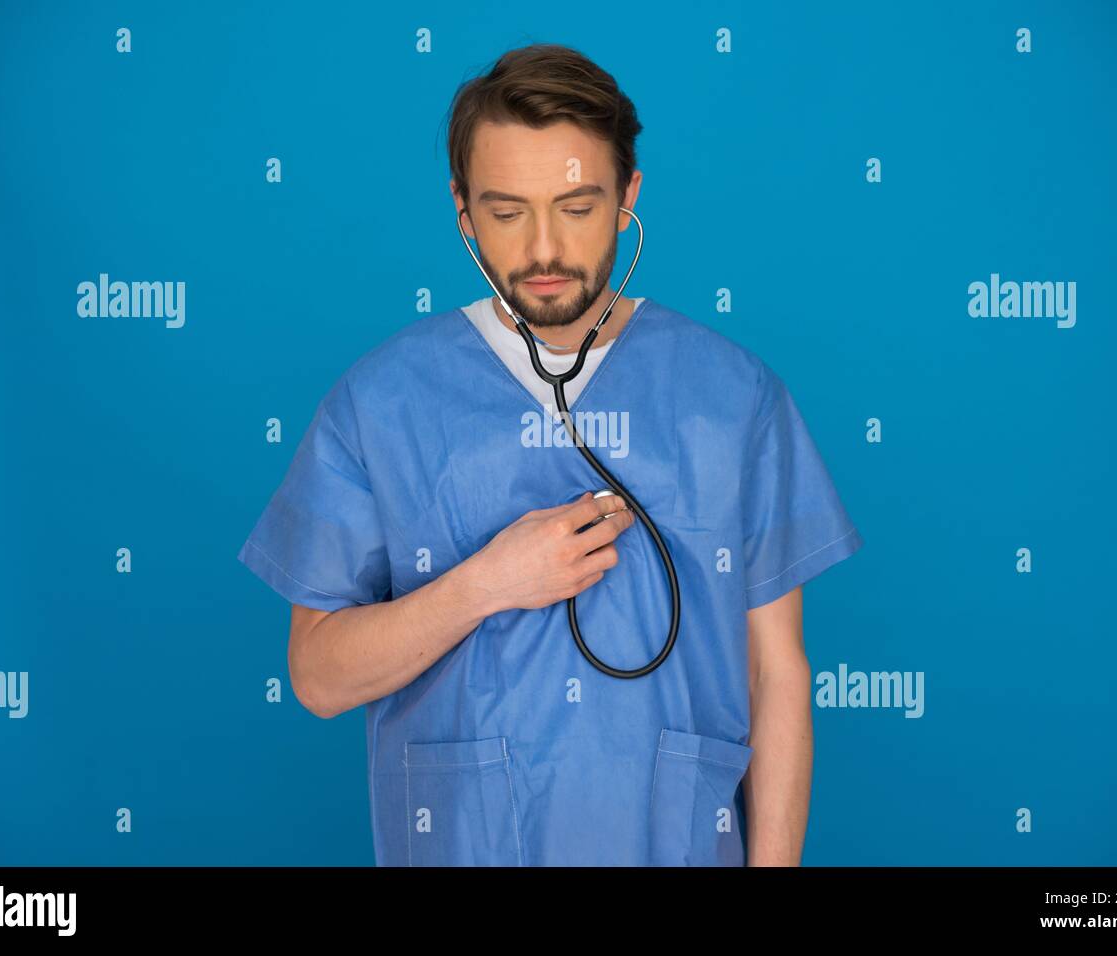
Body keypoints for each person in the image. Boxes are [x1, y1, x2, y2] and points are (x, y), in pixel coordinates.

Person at [236, 43, 863, 867]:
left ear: (627, 197)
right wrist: (485, 585)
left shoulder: (732, 398)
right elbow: (317, 677)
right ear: (462, 210)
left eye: (576, 206)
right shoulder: (381, 402)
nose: (542, 250)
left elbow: (775, 674)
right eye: (505, 211)